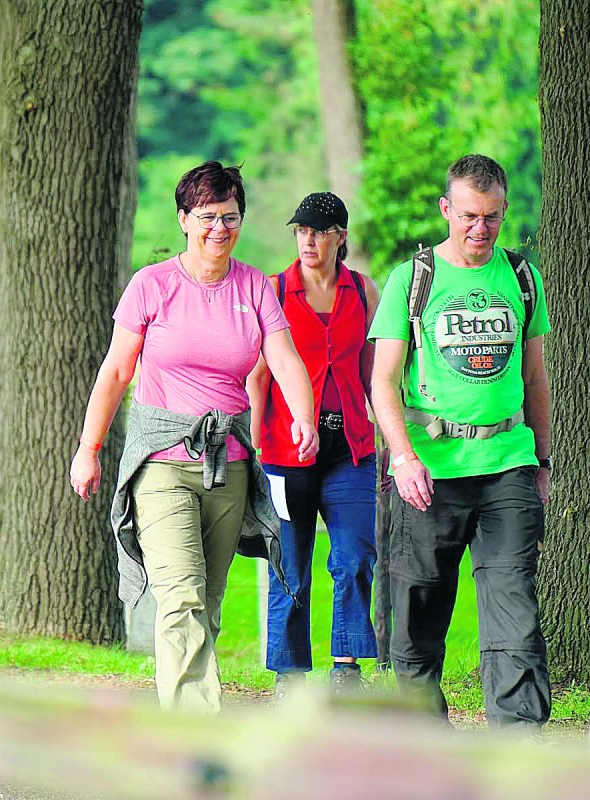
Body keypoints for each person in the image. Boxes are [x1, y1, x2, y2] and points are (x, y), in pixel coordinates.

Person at [69, 161, 319, 714]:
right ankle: (195, 728)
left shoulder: (253, 286)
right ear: (184, 219)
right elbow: (116, 371)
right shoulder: (151, 285)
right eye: (207, 216)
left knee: (206, 599)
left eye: (230, 217)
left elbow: (284, 358)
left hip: (228, 464)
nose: (219, 228)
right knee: (180, 597)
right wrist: (89, 449)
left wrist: (302, 416)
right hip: (161, 463)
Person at [368, 154, 552, 730]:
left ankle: (517, 741)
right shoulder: (411, 279)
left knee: (513, 605)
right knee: (417, 612)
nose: (480, 228)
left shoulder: (521, 276)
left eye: (492, 216)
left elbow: (535, 378)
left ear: (504, 211)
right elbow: (382, 380)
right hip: (430, 471)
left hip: (507, 463)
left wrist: (542, 461)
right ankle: (425, 738)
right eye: (469, 215)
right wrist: (403, 458)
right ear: (447, 209)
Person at [246, 192, 380, 699]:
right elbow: (259, 378)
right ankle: (290, 674)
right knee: (290, 565)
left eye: (320, 231)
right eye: (302, 230)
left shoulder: (362, 290)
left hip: (350, 449)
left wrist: (392, 438)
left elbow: (372, 374)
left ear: (340, 236)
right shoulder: (275, 290)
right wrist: (256, 449)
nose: (309, 240)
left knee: (354, 557)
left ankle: (346, 667)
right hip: (286, 453)